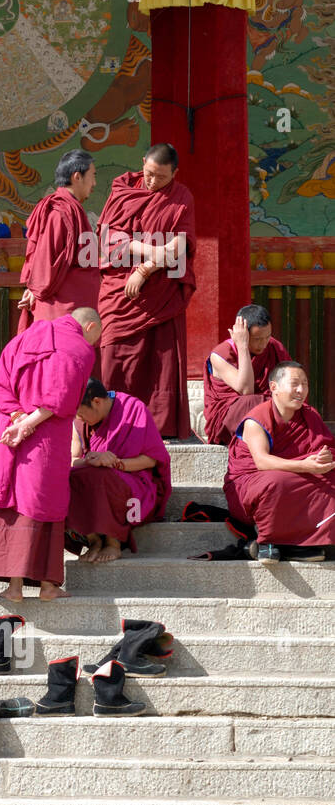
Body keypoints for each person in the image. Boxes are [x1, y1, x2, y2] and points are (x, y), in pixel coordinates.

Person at [0, 307, 102, 601]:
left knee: (13, 498)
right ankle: (48, 586)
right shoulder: (79, 347)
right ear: (89, 327)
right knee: (41, 502)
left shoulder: (26, 336)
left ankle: (14, 588)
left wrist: (16, 417)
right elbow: (60, 396)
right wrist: (28, 425)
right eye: (96, 338)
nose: (94, 345)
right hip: (46, 435)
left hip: (9, 427)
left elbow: (0, 379)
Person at [97, 143, 197, 438]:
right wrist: (151, 250)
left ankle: (157, 427)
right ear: (143, 163)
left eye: (161, 177)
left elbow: (178, 249)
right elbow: (107, 239)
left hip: (159, 293)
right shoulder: (122, 190)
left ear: (175, 174)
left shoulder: (181, 198)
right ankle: (108, 422)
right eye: (149, 173)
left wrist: (143, 270)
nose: (152, 182)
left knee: (159, 359)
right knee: (113, 354)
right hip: (119, 293)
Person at [223, 361, 335, 563]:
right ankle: (268, 540)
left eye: (305, 384)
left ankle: (306, 541)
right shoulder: (256, 419)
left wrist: (324, 458)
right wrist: (305, 465)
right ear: (274, 387)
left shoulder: (310, 416)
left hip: (296, 476)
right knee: (276, 481)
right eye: (294, 384)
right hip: (250, 484)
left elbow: (324, 448)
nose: (301, 390)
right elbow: (262, 462)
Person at [67, 378, 171, 564]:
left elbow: (152, 460)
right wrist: (90, 460)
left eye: (82, 414)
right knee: (65, 478)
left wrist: (115, 463)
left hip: (133, 479)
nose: (79, 419)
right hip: (93, 474)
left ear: (97, 402)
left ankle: (113, 542)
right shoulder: (78, 422)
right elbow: (72, 461)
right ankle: (93, 540)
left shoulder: (132, 409)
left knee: (104, 477)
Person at [17, 150, 98, 332]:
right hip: (61, 314)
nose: (95, 183)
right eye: (92, 176)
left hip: (74, 311)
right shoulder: (60, 212)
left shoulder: (71, 209)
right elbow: (46, 261)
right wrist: (36, 289)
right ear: (77, 177)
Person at [202, 304, 291, 446]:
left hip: (268, 408)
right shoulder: (221, 354)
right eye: (257, 339)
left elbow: (288, 381)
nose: (263, 344)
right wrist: (242, 346)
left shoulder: (274, 347)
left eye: (267, 337)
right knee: (251, 403)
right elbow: (246, 390)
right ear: (242, 333)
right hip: (231, 415)